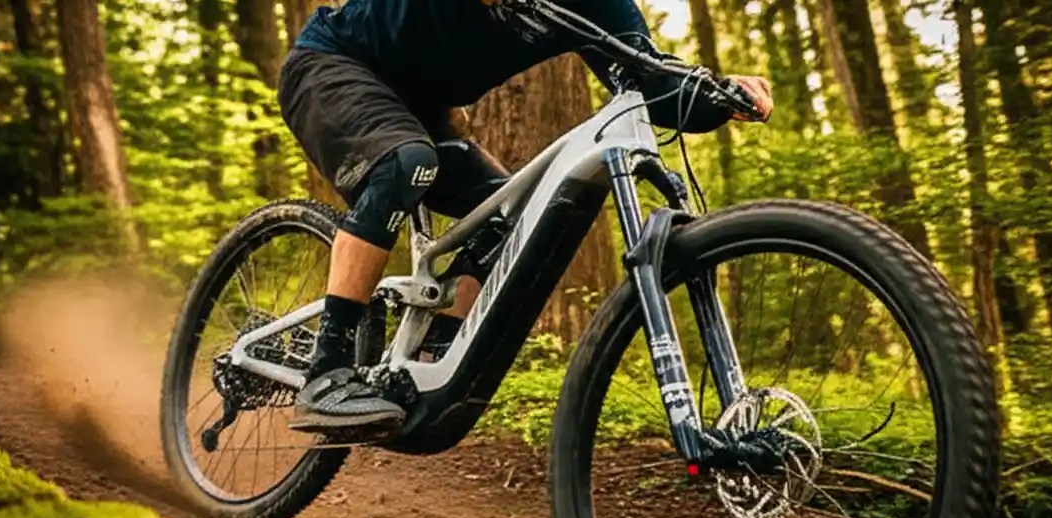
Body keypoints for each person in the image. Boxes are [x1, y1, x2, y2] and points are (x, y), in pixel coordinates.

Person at [278, 0, 774, 432]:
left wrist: (719, 93)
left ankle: (430, 356)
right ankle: (327, 372)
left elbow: (652, 81)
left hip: (421, 109)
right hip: (334, 66)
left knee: (515, 216)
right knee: (406, 164)